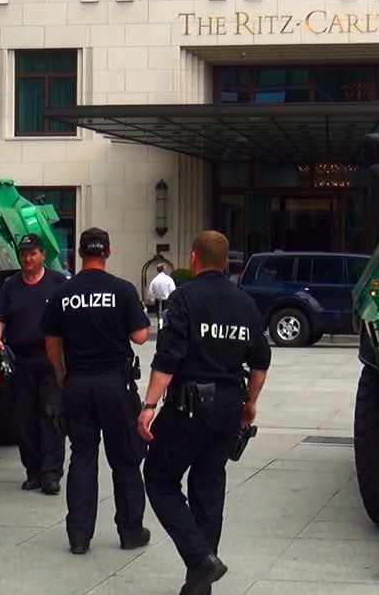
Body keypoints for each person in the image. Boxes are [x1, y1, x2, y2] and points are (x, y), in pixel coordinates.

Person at [138, 230, 271, 595]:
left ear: (193, 258)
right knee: (208, 490)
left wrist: (149, 405)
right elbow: (261, 361)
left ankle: (200, 560)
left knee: (159, 478)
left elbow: (168, 357)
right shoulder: (245, 303)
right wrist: (250, 402)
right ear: (225, 262)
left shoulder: (183, 298)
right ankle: (200, 584)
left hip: (189, 406)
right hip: (229, 406)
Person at [40, 227, 152, 555]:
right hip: (116, 384)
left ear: (79, 252)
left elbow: (51, 342)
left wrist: (61, 373)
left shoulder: (63, 293)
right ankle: (130, 531)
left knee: (82, 457)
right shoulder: (122, 290)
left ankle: (79, 536)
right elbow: (140, 336)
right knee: (125, 459)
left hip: (77, 383)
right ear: (107, 252)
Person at [0, 233, 70, 495]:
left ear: (42, 255)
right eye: (23, 253)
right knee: (25, 420)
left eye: (32, 253)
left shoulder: (58, 282)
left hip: (51, 362)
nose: (27, 258)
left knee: (51, 416)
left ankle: (51, 474)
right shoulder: (10, 286)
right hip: (21, 363)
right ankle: (33, 472)